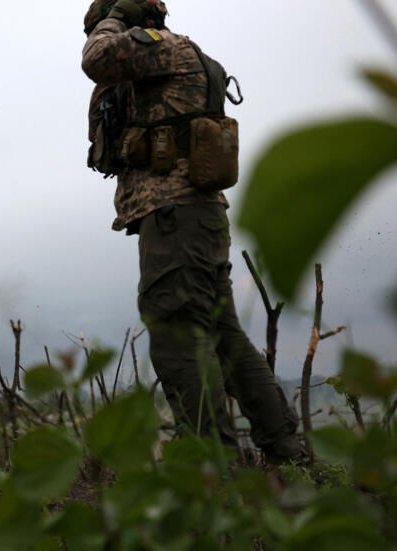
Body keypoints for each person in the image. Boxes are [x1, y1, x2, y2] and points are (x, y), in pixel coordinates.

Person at [81, 0, 306, 464]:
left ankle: (210, 469)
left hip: (177, 216)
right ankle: (285, 451)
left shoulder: (163, 48)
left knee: (176, 329)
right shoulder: (168, 57)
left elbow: (96, 58)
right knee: (222, 335)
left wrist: (112, 19)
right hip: (192, 218)